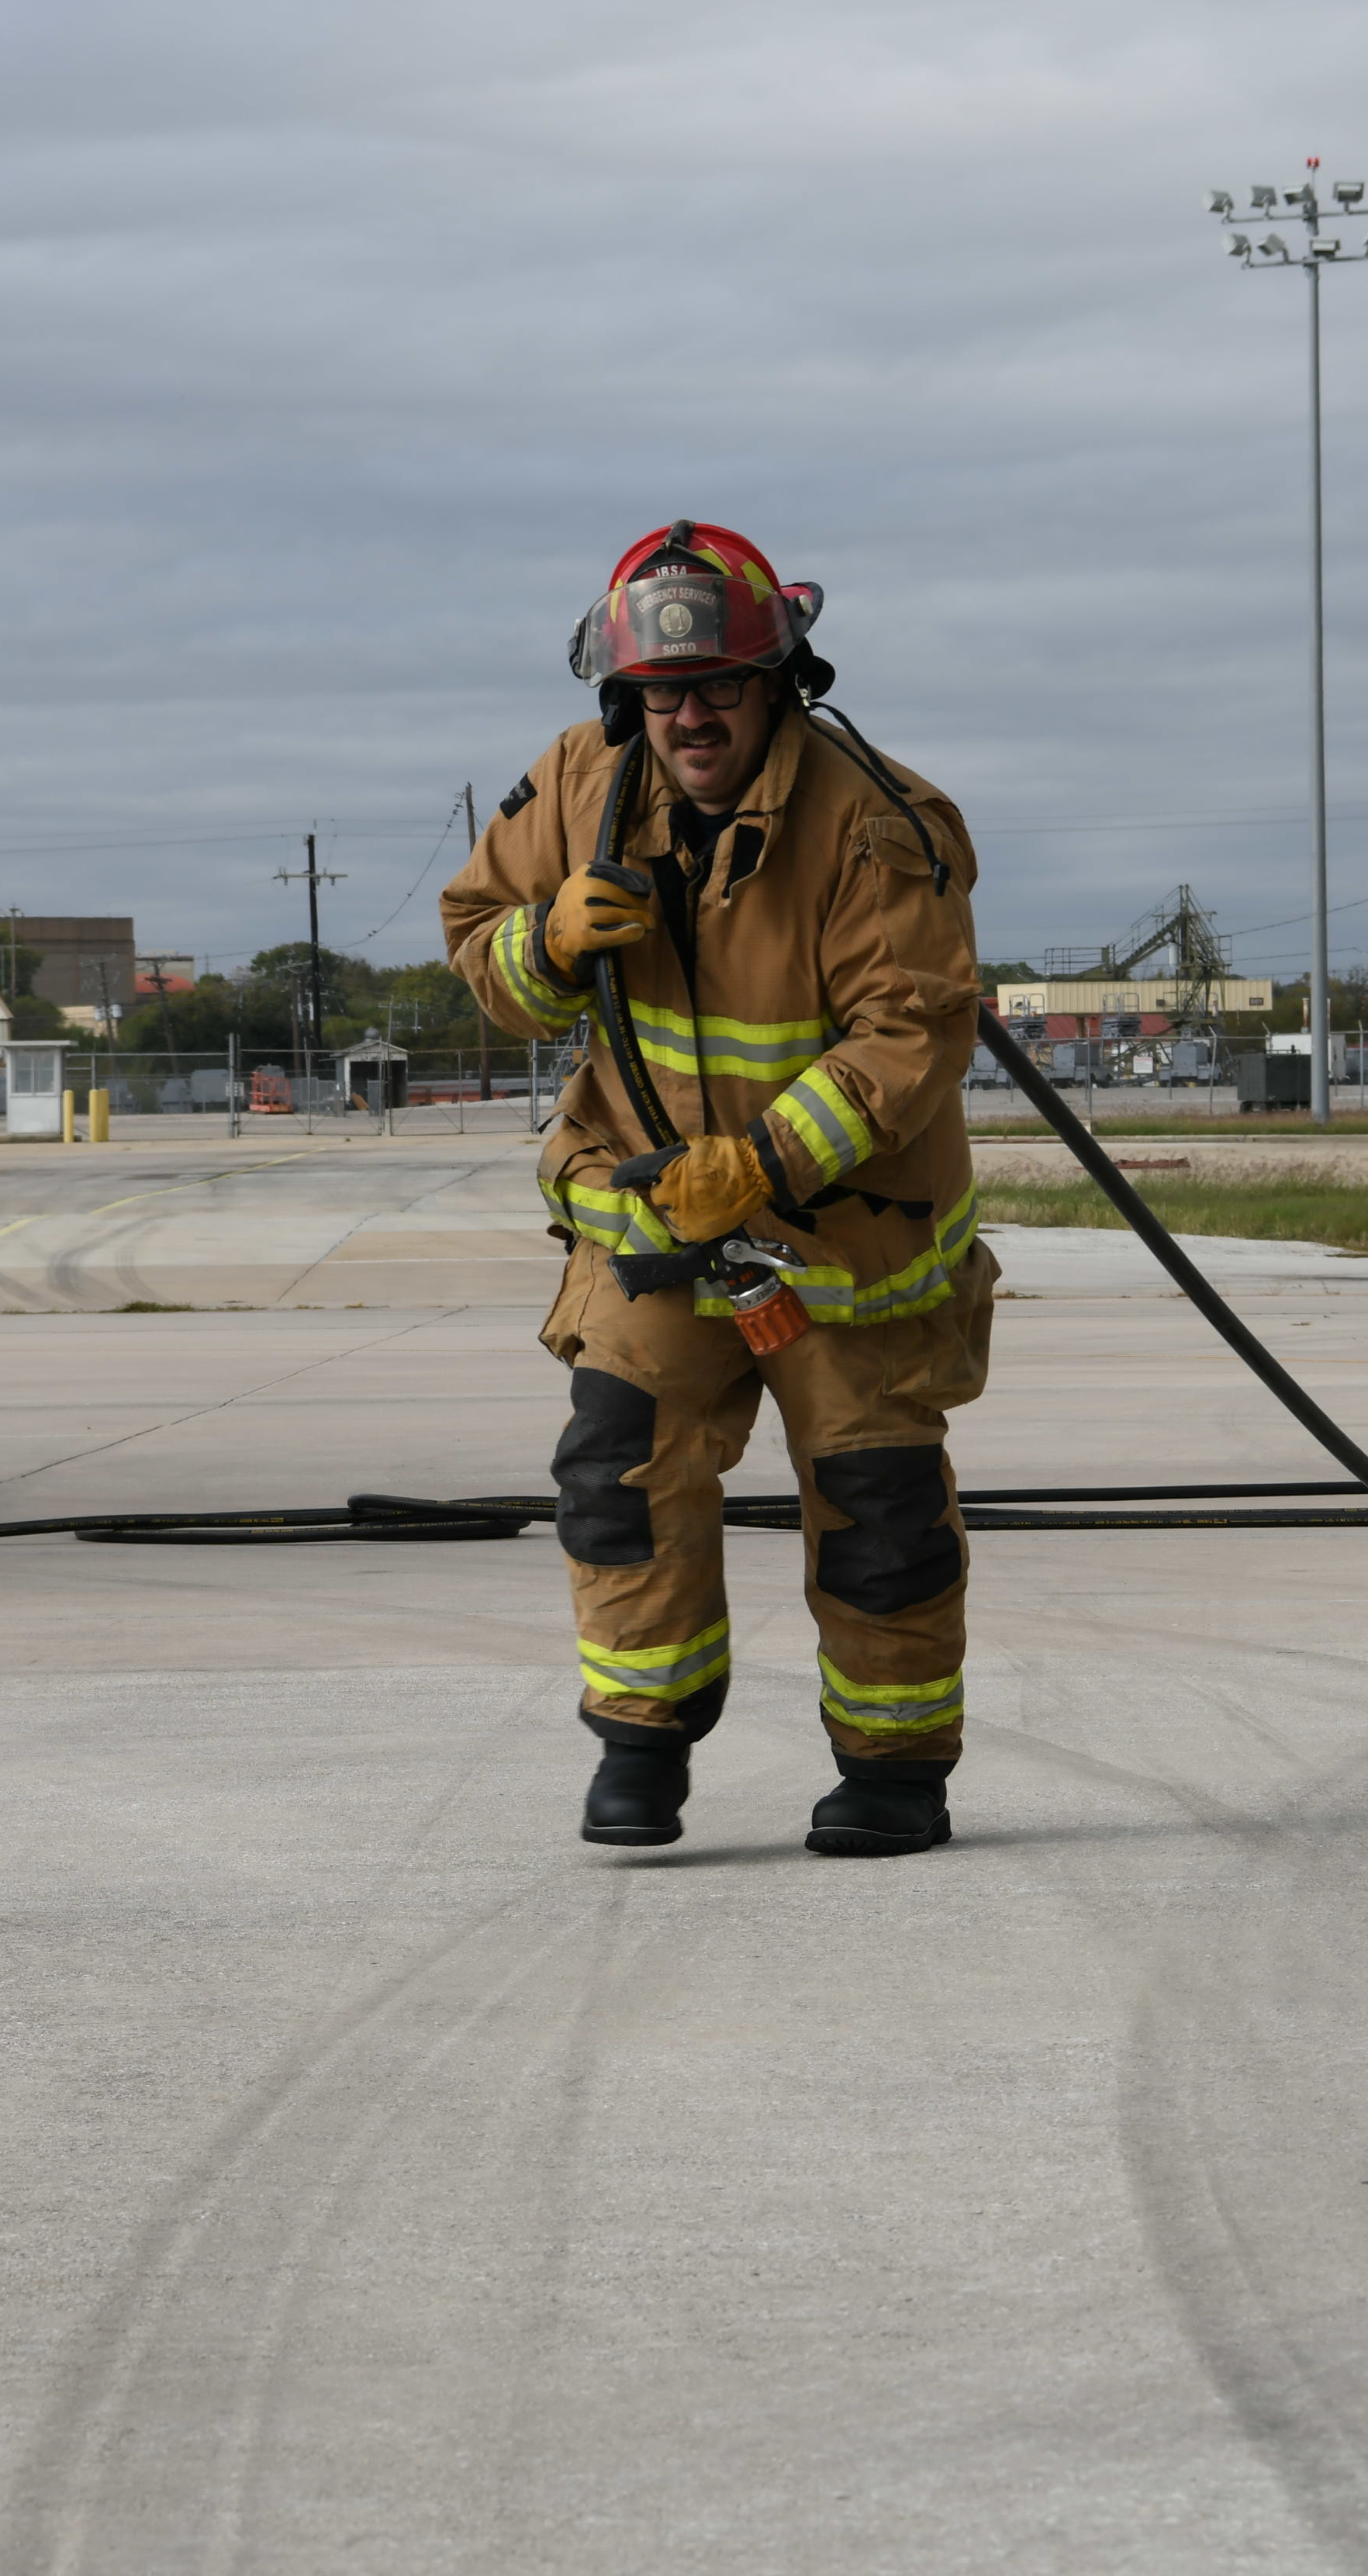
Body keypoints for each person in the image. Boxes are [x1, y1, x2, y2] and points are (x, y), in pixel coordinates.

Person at [447, 522, 992, 1857]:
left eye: (720, 687)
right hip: (650, 1235)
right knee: (616, 1476)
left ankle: (893, 1771)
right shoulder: (577, 784)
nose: (690, 716)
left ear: (780, 684)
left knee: (878, 1513)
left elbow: (905, 1035)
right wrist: (550, 940)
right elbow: (477, 948)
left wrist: (755, 1164)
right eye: (661, 692)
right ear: (622, 698)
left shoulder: (879, 825)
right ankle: (640, 1748)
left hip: (844, 1246)